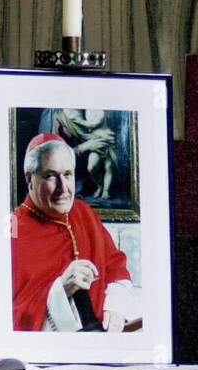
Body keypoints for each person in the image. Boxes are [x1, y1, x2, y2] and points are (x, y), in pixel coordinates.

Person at [11, 132, 137, 332]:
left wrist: (116, 308)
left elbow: (116, 268)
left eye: (68, 175)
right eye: (51, 176)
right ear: (30, 179)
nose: (63, 188)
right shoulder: (13, 230)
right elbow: (10, 318)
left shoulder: (84, 213)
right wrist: (61, 290)